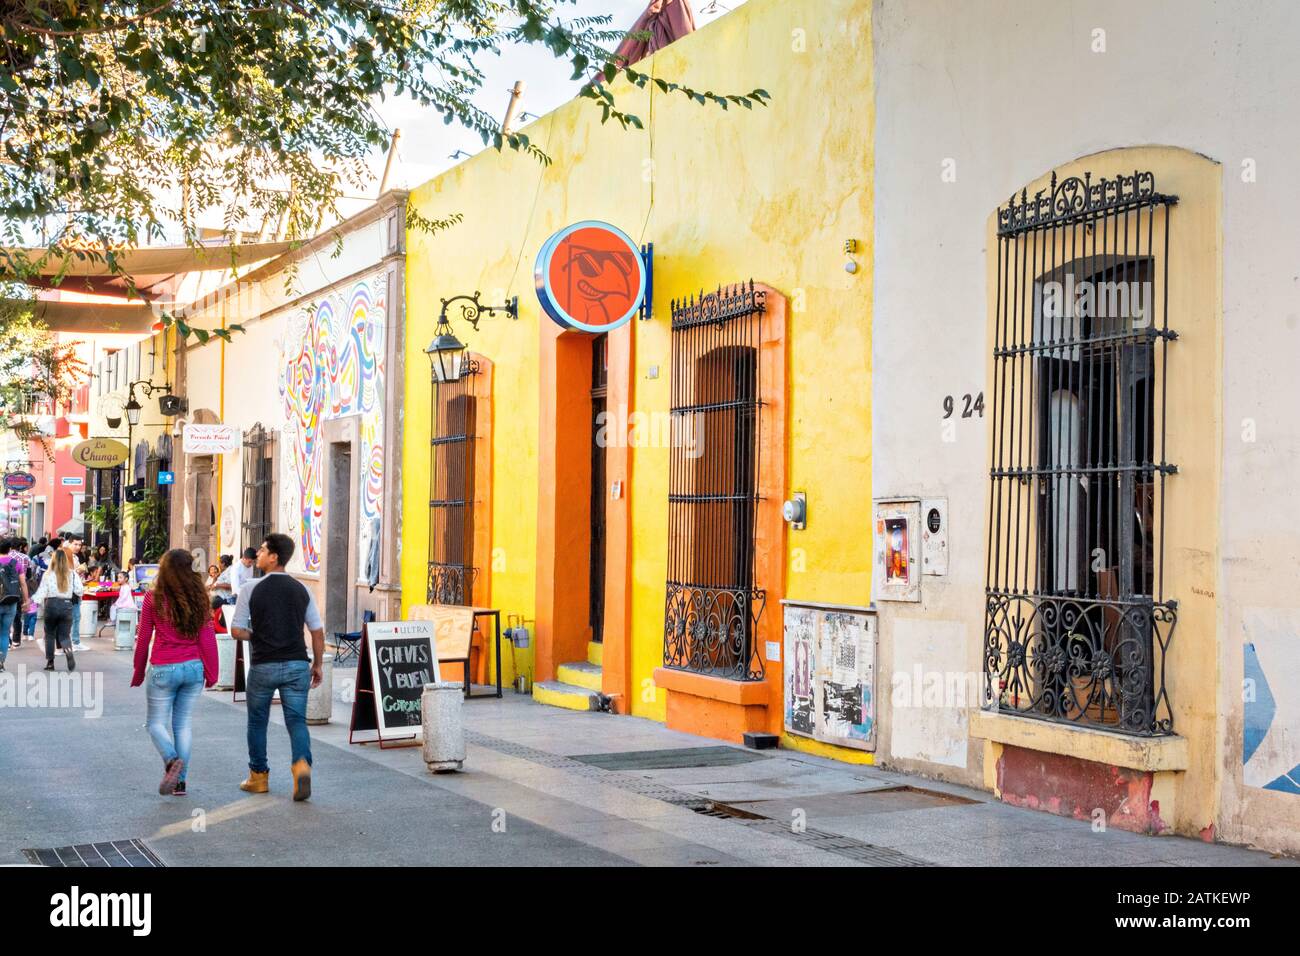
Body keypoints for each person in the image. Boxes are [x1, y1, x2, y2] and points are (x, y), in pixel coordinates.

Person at [230, 533, 325, 801]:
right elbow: (317, 632)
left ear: (274, 557)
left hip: (263, 666)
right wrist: (317, 664)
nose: (257, 554)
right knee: (296, 721)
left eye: (261, 550)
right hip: (296, 664)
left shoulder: (250, 588)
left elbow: (236, 630)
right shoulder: (302, 590)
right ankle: (301, 766)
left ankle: (258, 777)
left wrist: (256, 634)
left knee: (257, 721)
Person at [131, 549, 219, 796]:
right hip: (193, 668)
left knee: (155, 724)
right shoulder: (200, 598)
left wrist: (138, 671)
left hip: (163, 668)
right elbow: (207, 638)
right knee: (183, 726)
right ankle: (180, 782)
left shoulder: (153, 598)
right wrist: (212, 672)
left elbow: (144, 637)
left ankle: (171, 760)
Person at [31, 548, 82, 671]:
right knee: (64, 635)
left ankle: (50, 663)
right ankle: (68, 651)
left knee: (49, 635)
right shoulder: (72, 574)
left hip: (51, 605)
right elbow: (79, 590)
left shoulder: (48, 574)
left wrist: (31, 603)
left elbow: (41, 593)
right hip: (66, 605)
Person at [0, 539, 32, 673]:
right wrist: (26, 601)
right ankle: (1, 663)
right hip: (11, 601)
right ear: (9, 550)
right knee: (4, 632)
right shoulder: (16, 563)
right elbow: (23, 584)